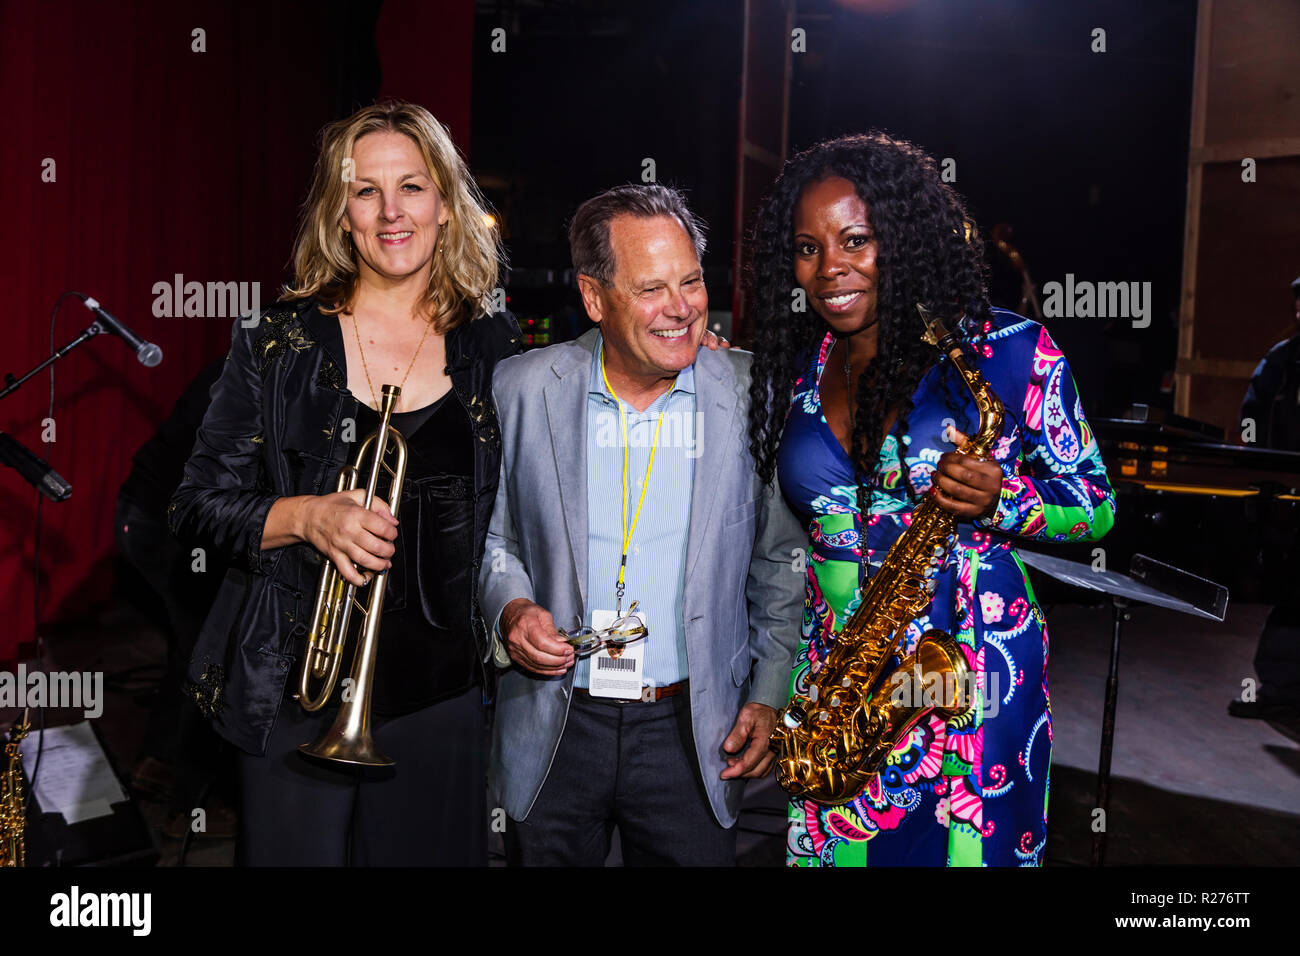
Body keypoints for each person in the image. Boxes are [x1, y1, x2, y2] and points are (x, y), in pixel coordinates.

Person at [745, 132, 1117, 866]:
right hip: (842, 688)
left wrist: (1003, 498)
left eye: (857, 239)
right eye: (808, 248)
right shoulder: (796, 369)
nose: (831, 270)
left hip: (967, 673)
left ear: (905, 237)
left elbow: (1096, 503)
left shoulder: (1009, 352)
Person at [169, 100, 520, 865]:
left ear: (447, 206)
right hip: (298, 689)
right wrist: (305, 517)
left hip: (443, 696)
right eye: (366, 190)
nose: (391, 211)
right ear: (341, 213)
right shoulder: (278, 341)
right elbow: (195, 506)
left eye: (413, 187)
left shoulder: (497, 344)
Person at [480, 183, 804, 866]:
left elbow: (779, 562)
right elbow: (495, 541)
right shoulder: (520, 388)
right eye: (652, 288)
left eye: (690, 281)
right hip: (555, 720)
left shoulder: (753, 394)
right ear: (595, 298)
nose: (682, 308)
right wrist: (510, 608)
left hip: (694, 731)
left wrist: (772, 695)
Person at [116, 356, 233, 837]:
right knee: (208, 655)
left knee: (189, 647)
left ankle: (156, 764)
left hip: (144, 513)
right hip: (165, 528)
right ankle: (189, 810)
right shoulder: (257, 371)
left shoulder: (245, 356)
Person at [1229, 274, 1300, 721]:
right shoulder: (1284, 360)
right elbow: (1251, 420)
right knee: (1294, 596)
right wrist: (1261, 470)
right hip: (1290, 500)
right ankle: (1276, 689)